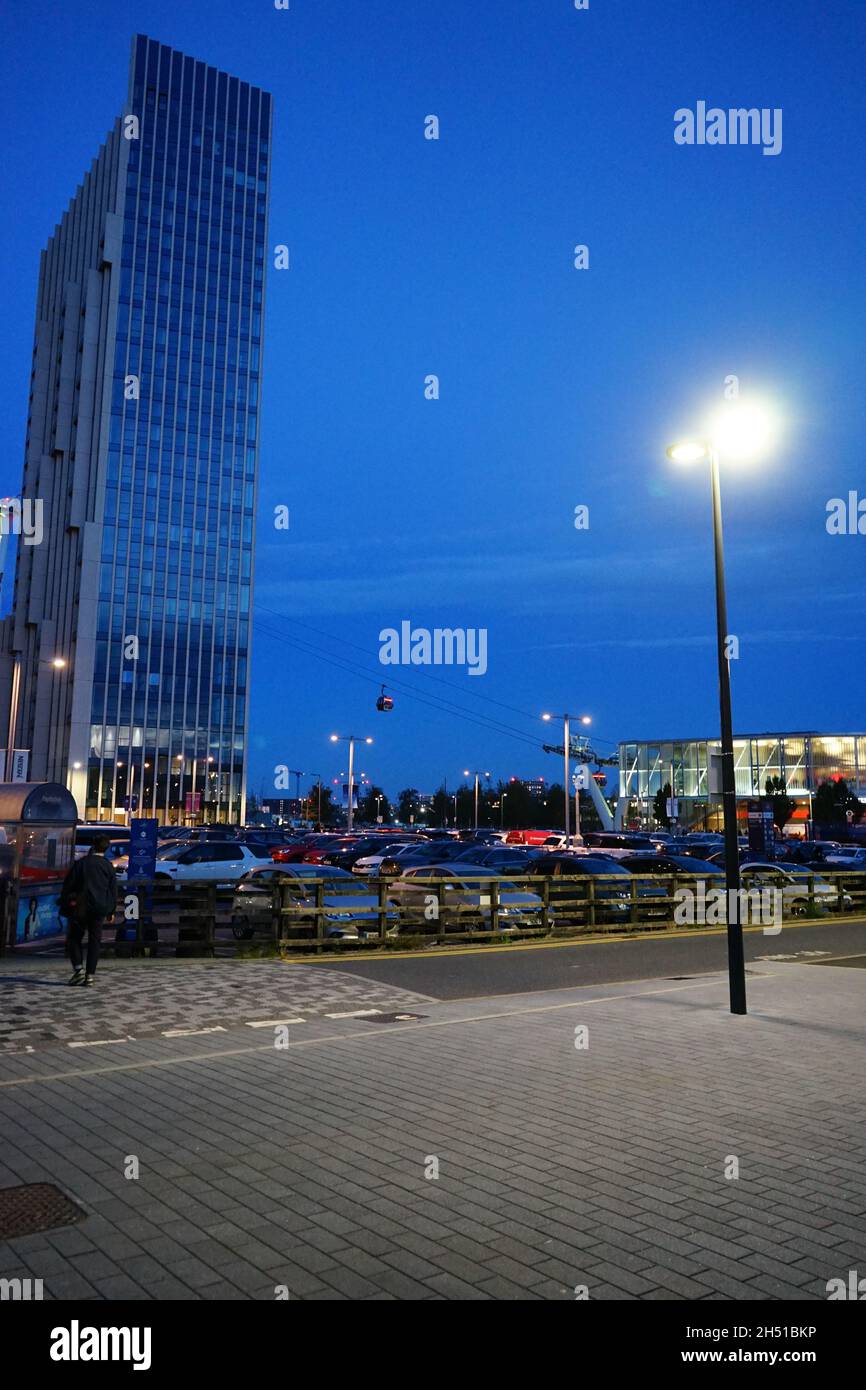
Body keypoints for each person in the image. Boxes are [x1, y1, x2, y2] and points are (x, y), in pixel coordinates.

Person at [59, 835, 119, 986]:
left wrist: (65, 901)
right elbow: (113, 891)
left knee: (74, 938)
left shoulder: (81, 864)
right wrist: (111, 911)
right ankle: (90, 975)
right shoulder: (108, 866)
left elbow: (69, 884)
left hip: (81, 907)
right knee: (95, 942)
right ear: (106, 848)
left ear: (93, 845)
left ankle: (78, 970)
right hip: (99, 908)